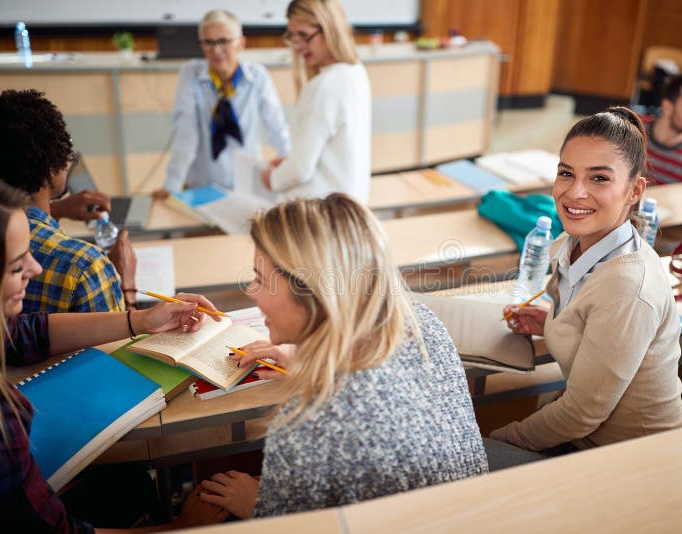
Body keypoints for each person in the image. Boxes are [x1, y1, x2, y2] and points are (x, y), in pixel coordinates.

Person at [191, 193, 487, 518]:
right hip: (473, 510)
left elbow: (293, 528)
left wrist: (256, 505)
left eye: (261, 280)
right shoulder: (418, 320)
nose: (252, 292)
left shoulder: (310, 419)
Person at [0, 176, 228, 531]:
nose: (34, 269)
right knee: (133, 490)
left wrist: (141, 320)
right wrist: (180, 527)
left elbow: (26, 333)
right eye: (16, 266)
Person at [485, 107, 682, 469]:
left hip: (632, 461)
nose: (575, 192)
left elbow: (580, 414)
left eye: (598, 178)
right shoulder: (576, 241)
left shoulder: (628, 285)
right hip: (586, 437)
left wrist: (500, 438)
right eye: (566, 173)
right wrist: (551, 323)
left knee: (465, 461)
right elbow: (589, 316)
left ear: (634, 191)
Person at [0, 89, 137, 313]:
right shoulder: (87, 266)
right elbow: (120, 347)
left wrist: (57, 210)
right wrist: (126, 285)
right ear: (50, 170)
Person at [157, 9, 291, 196]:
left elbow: (276, 127)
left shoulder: (257, 76)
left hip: (248, 183)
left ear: (241, 43)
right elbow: (186, 135)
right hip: (203, 184)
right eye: (208, 42)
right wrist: (171, 185)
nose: (216, 50)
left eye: (224, 41)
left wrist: (292, 172)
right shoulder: (191, 74)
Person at [260, 0, 371, 203]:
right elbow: (331, 150)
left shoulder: (324, 85)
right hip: (348, 205)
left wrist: (272, 178)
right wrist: (291, 162)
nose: (298, 46)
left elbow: (301, 170)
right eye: (292, 37)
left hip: (319, 211)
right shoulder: (355, 72)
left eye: (304, 35)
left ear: (329, 28)